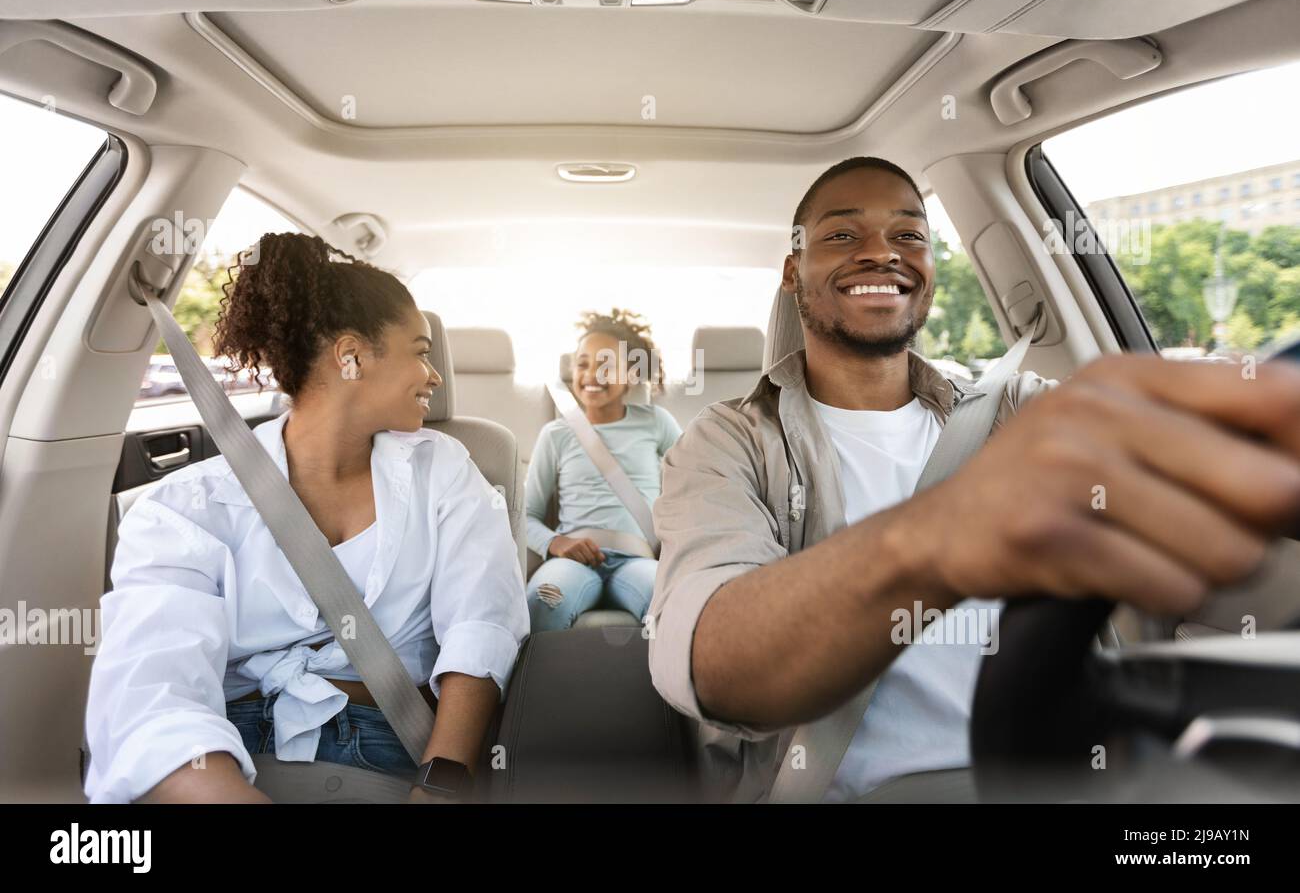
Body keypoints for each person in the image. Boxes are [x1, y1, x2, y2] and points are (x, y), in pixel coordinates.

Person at [648, 156, 1300, 802]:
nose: (882, 253)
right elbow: (710, 658)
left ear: (931, 269)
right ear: (794, 272)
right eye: (842, 235)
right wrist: (941, 535)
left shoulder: (1014, 408)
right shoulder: (728, 442)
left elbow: (1161, 436)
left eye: (909, 235)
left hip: (1069, 776)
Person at [84, 232, 529, 804]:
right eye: (420, 352)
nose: (434, 375)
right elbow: (153, 699)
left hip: (392, 747)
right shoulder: (185, 507)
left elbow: (481, 628)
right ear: (351, 356)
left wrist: (440, 785)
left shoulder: (443, 471)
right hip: (220, 762)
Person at [525, 309, 682, 631]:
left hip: (639, 560)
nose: (592, 374)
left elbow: (696, 485)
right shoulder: (556, 434)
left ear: (633, 374)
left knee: (673, 602)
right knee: (544, 599)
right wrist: (555, 543)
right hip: (573, 562)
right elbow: (524, 514)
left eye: (607, 365)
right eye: (583, 364)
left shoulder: (656, 422)